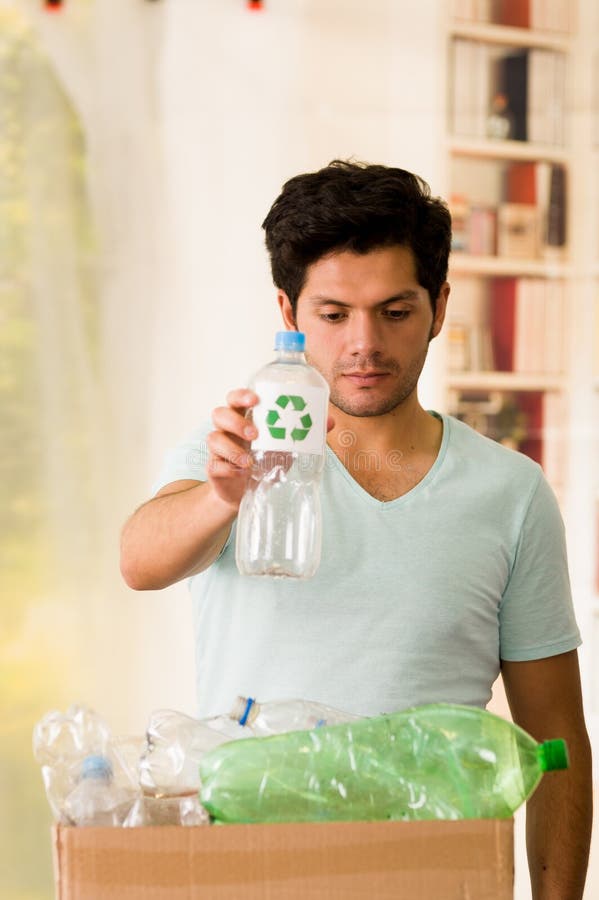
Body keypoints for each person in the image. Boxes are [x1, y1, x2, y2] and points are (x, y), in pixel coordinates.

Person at [120, 160, 592, 898]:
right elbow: (139, 562)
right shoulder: (234, 457)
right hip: (250, 870)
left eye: (394, 312)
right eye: (333, 315)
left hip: (440, 874)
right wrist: (222, 498)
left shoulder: (510, 493)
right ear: (288, 311)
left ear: (438, 306)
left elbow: (556, 735)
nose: (363, 344)